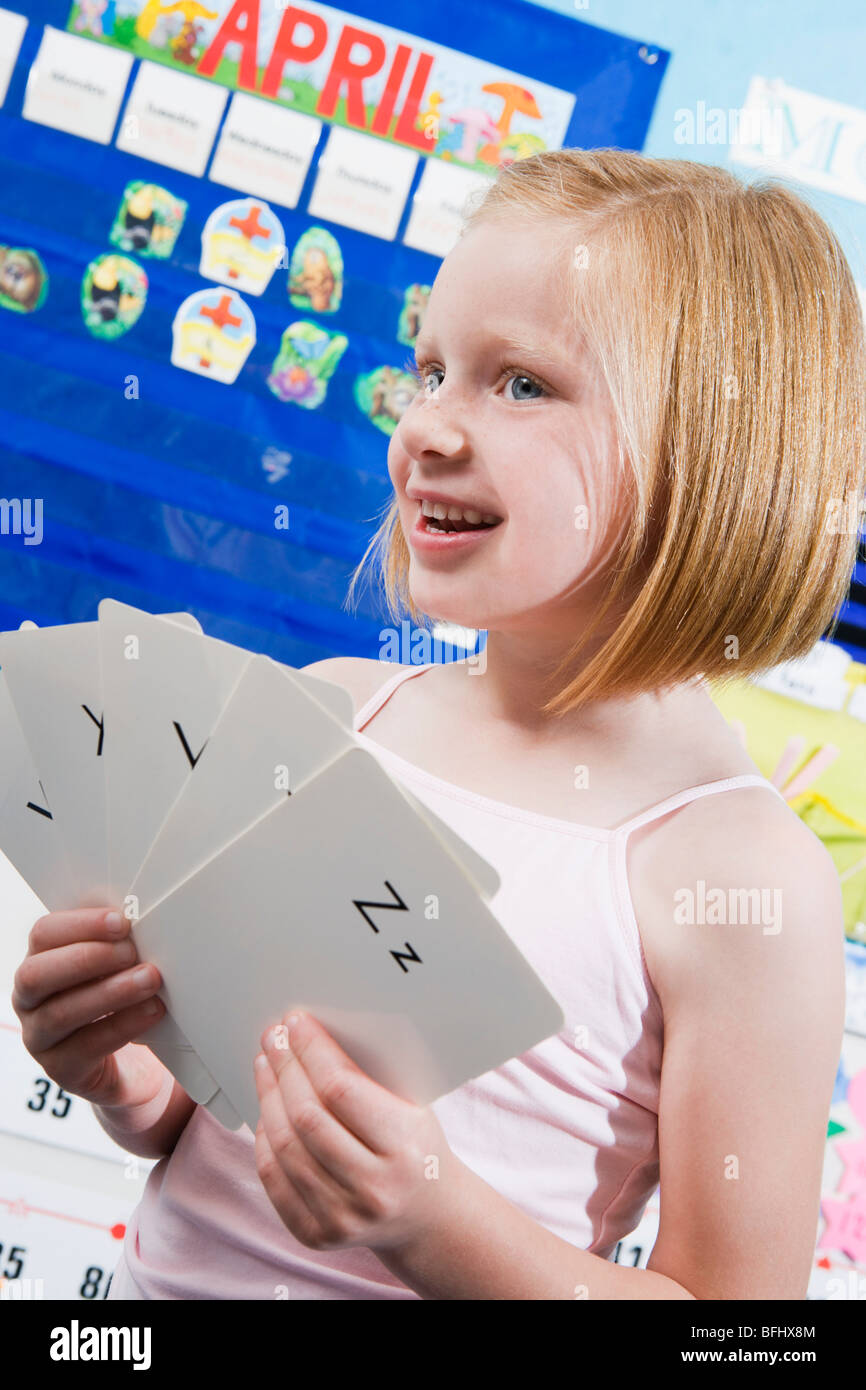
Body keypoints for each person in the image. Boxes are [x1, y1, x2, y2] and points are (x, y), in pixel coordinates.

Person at [12, 149, 864, 1299]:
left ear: (710, 457)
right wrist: (125, 1072)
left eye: (519, 383)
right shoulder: (341, 704)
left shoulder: (734, 871)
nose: (427, 428)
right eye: (428, 370)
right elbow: (211, 1130)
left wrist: (432, 1219)